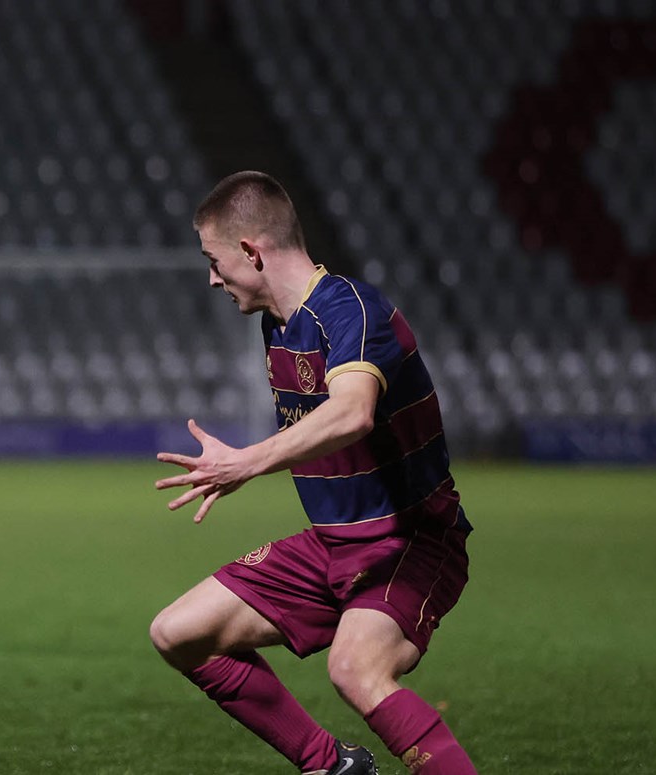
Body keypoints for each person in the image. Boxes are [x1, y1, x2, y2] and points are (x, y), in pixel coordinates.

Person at [150, 172, 477, 775]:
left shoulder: (351, 309)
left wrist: (246, 461)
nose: (213, 278)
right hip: (334, 545)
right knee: (178, 632)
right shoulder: (277, 323)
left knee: (355, 669)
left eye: (214, 261)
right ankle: (332, 766)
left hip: (409, 542)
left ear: (250, 250)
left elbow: (353, 413)